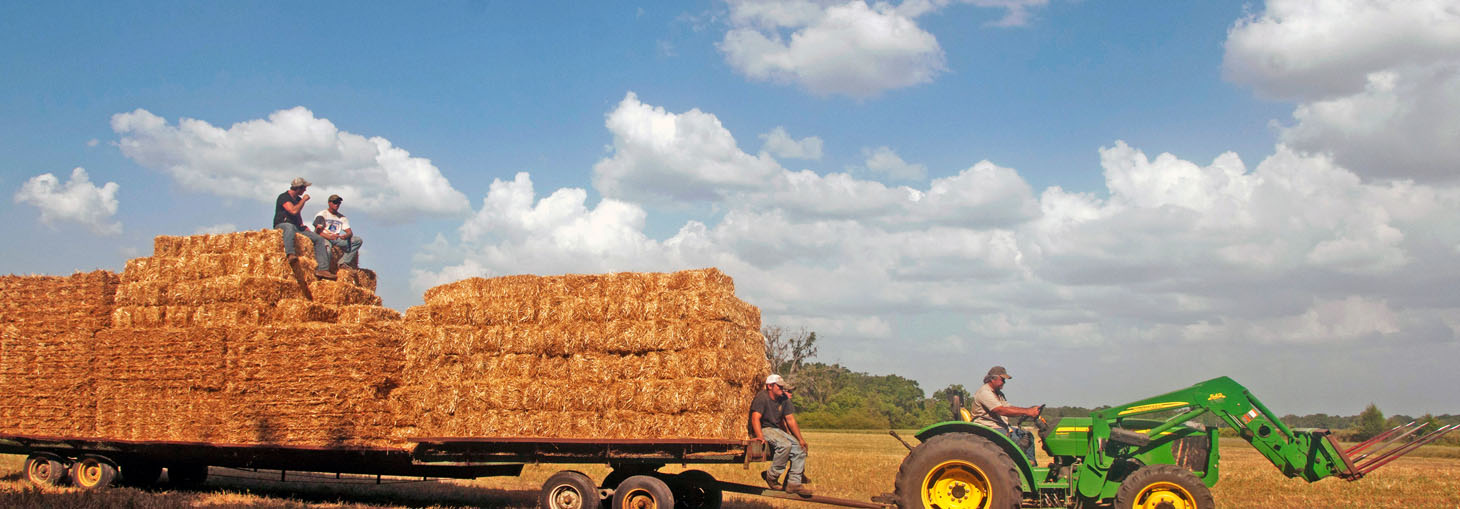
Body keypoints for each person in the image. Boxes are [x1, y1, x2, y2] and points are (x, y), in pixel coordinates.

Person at [748, 374, 812, 496]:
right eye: (779, 387)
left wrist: (800, 439)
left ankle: (794, 483)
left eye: (783, 387)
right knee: (785, 445)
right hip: (764, 429)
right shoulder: (762, 397)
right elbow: (755, 418)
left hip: (775, 430)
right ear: (770, 386)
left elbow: (790, 420)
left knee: (800, 449)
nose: (782, 389)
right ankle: (771, 476)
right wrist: (760, 436)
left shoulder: (784, 399)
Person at [970, 366, 1041, 464]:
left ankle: (1030, 464)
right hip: (988, 427)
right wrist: (1027, 411)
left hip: (999, 426)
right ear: (993, 379)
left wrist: (1028, 410)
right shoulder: (984, 392)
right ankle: (1018, 466)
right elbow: (1000, 410)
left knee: (1028, 435)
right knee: (1016, 439)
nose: (1004, 382)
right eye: (1002, 379)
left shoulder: (998, 393)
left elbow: (1008, 407)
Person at [273, 177, 334, 280]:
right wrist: (304, 200)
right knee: (289, 227)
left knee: (318, 239)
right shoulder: (284, 197)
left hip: (296, 227)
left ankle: (322, 269)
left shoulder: (297, 199)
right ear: (298, 188)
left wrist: (302, 225)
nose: (305, 190)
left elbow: (297, 215)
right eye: (304, 188)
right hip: (282, 225)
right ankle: (290, 254)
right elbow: (293, 211)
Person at [312, 194, 363, 269]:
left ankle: (343, 262)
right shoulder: (322, 214)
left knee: (358, 240)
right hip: (324, 237)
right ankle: (324, 269)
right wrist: (329, 237)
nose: (337, 204)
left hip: (336, 238)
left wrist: (346, 236)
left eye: (339, 203)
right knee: (327, 249)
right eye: (335, 202)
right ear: (329, 203)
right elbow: (317, 232)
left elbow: (350, 232)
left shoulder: (342, 217)